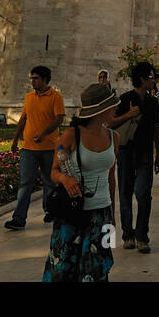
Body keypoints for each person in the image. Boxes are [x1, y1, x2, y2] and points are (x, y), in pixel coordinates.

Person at [43, 84, 120, 282]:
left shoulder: (114, 137)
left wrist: (113, 215)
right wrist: (65, 179)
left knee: (99, 269)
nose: (116, 108)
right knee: (64, 269)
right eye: (112, 106)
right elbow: (54, 171)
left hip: (102, 214)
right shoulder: (71, 135)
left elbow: (111, 178)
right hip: (73, 213)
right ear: (100, 110)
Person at [5, 65, 66, 230]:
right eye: (32, 78)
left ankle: (50, 210)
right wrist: (15, 139)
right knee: (25, 183)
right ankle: (19, 218)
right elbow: (23, 119)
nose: (33, 81)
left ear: (45, 80)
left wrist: (44, 134)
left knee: (49, 182)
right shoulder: (29, 97)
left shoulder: (55, 97)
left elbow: (59, 119)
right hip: (29, 148)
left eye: (36, 78)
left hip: (48, 148)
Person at [111, 62, 159, 253]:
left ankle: (142, 236)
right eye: (151, 77)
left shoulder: (153, 102)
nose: (154, 80)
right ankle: (128, 235)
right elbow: (111, 124)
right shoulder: (125, 99)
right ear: (142, 79)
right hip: (125, 152)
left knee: (143, 194)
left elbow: (156, 129)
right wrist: (129, 115)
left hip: (145, 153)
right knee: (125, 194)